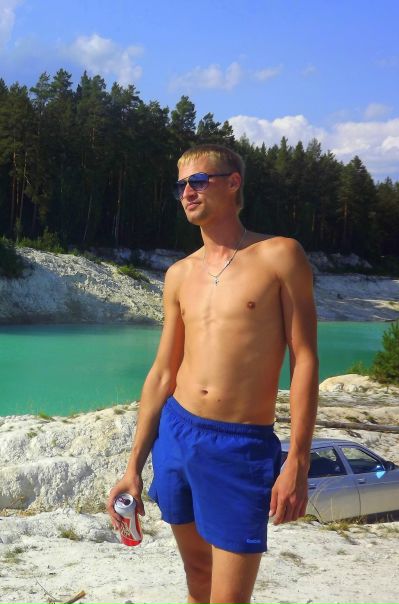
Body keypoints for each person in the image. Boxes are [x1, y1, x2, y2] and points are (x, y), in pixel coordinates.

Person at [107, 143, 319, 604]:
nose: (187, 192)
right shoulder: (179, 274)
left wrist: (298, 461)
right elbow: (163, 372)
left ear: (233, 183)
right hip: (178, 433)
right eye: (181, 185)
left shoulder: (280, 256)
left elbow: (304, 360)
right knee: (197, 576)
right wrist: (132, 468)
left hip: (240, 444)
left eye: (198, 181)